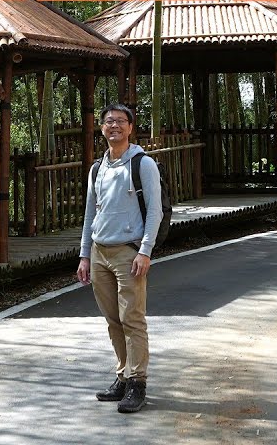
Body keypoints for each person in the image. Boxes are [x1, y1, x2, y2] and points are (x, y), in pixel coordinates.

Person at [76, 104, 163, 414]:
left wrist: (145, 251)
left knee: (132, 319)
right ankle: (123, 376)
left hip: (128, 251)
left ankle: (138, 382)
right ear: (101, 128)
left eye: (120, 122)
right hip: (99, 251)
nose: (114, 126)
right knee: (113, 320)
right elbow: (90, 213)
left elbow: (155, 211)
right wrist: (85, 254)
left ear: (130, 128)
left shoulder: (143, 164)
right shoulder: (97, 168)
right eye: (108, 121)